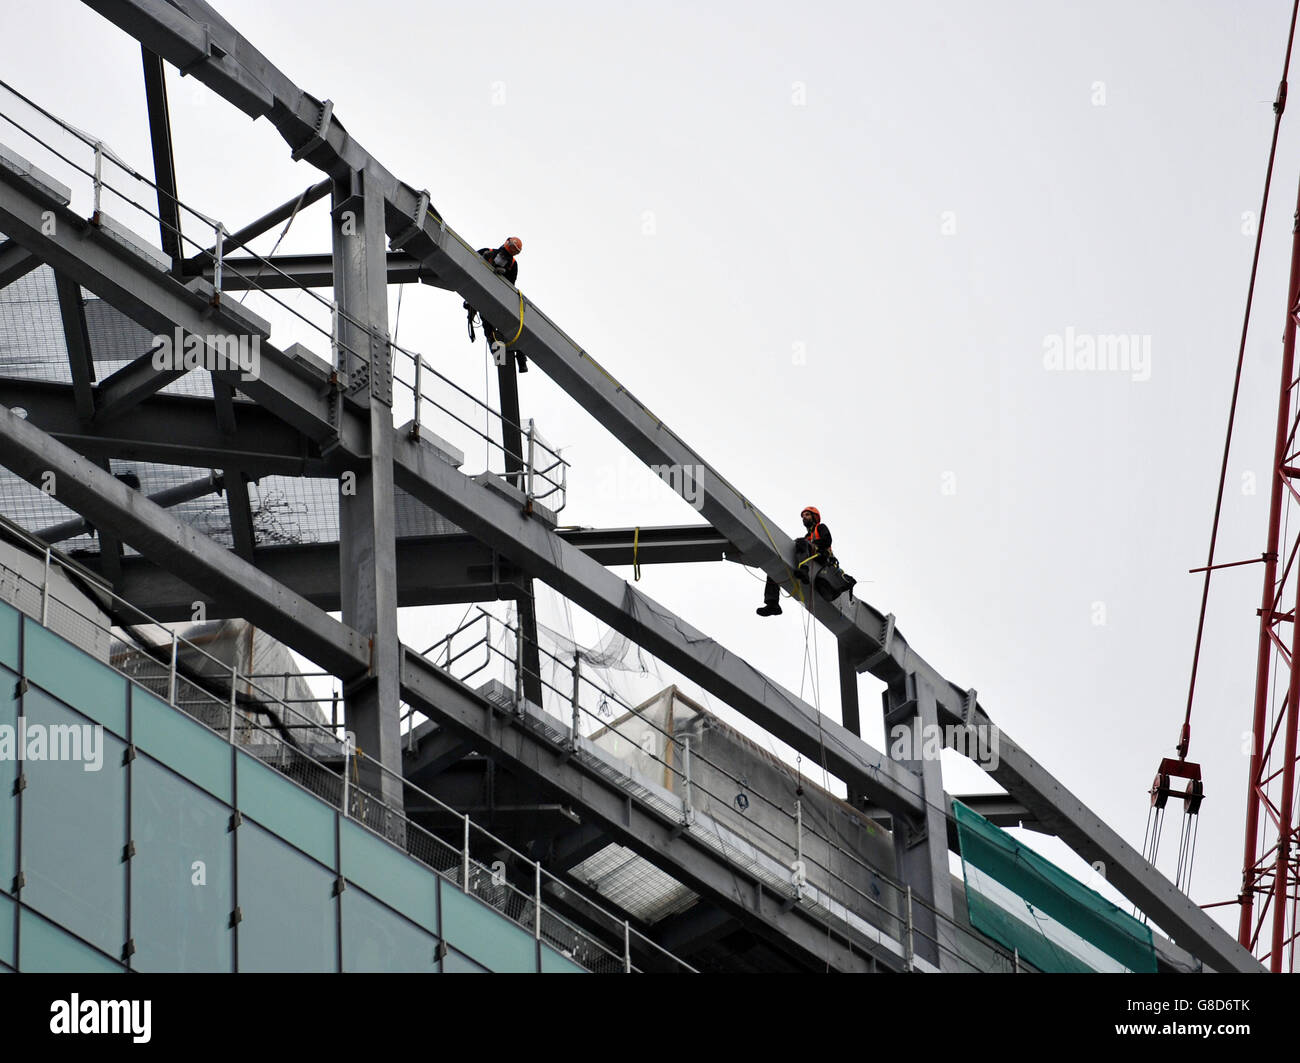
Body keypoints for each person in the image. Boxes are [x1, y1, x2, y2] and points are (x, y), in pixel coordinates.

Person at [464, 237, 527, 372]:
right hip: (484, 298)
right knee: (490, 331)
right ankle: (500, 360)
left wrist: (503, 276)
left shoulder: (512, 265)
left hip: (499, 301)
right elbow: (471, 267)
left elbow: (510, 287)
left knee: (513, 329)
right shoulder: (487, 252)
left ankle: (521, 362)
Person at [757, 506, 833, 616]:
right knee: (773, 572)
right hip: (810, 556)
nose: (804, 517)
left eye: (807, 515)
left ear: (814, 517)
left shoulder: (820, 527)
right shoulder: (807, 536)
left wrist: (809, 544)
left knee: (801, 542)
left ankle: (804, 569)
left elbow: (827, 541)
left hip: (822, 558)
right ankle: (772, 603)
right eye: (803, 516)